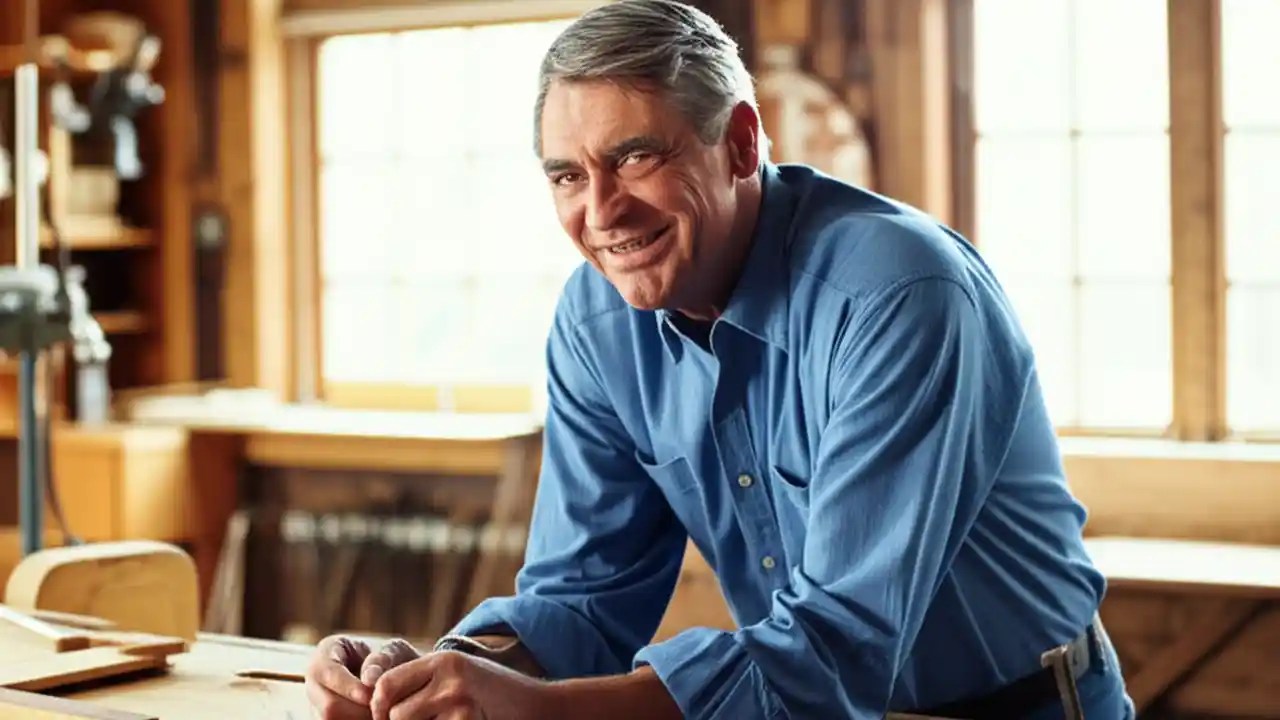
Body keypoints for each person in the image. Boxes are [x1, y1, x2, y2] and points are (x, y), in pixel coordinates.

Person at [305, 1, 1136, 718]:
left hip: (1020, 711)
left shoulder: (897, 295)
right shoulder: (597, 321)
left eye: (634, 156)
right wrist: (426, 675)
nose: (601, 212)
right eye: (566, 176)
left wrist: (541, 711)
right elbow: (582, 601)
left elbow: (833, 648)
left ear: (740, 142)